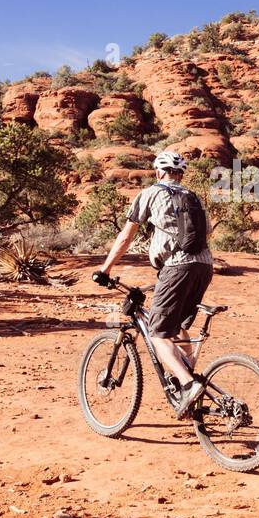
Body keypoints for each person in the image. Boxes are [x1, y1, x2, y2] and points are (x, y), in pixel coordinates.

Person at [94, 150, 213, 418]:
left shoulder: (151, 193)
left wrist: (105, 269)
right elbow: (205, 233)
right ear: (180, 174)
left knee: (158, 334)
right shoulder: (193, 197)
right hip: (205, 266)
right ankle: (187, 371)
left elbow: (126, 236)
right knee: (179, 326)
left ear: (159, 172)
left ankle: (188, 383)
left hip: (176, 267)